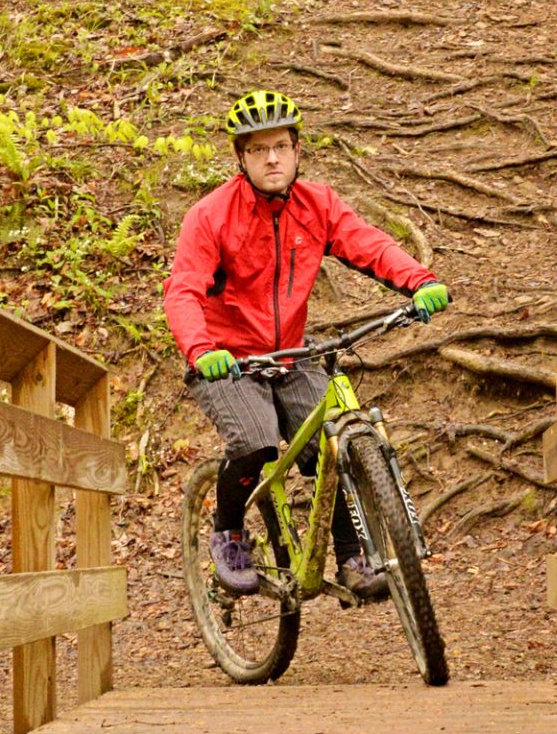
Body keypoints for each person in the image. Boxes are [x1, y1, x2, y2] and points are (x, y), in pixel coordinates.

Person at [163, 89, 449, 598]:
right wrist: (203, 351)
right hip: (228, 361)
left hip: (292, 354)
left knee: (332, 444)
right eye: (257, 149)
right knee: (255, 441)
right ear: (241, 158)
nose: (271, 158)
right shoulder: (211, 216)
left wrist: (418, 281)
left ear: (297, 150)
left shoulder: (318, 205)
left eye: (280, 146)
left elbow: (368, 243)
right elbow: (183, 290)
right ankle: (228, 533)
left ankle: (353, 557)